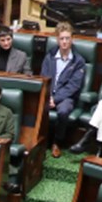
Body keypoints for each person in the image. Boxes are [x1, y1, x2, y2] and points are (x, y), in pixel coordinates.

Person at [38, 23, 86, 154]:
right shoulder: (50, 56)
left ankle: (57, 142)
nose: (64, 42)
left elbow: (74, 86)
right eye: (62, 38)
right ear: (57, 40)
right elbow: (43, 77)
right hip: (48, 94)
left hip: (66, 97)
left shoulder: (78, 61)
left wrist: (55, 99)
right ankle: (39, 139)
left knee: (63, 111)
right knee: (35, 106)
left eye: (67, 38)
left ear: (72, 39)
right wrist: (48, 96)